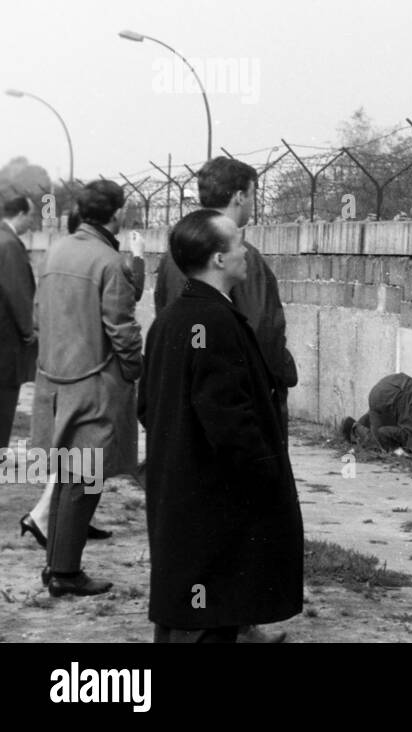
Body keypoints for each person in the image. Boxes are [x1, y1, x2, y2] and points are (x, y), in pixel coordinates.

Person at [139, 208, 303, 643]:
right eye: (236, 242)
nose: (245, 249)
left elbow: (148, 407)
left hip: (184, 493)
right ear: (217, 258)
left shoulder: (172, 319)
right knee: (207, 618)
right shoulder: (212, 321)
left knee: (191, 612)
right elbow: (228, 420)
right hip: (214, 501)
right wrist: (266, 473)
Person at [29, 181, 142, 597]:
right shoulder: (109, 261)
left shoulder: (57, 250)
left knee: (69, 478)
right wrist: (133, 370)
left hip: (56, 380)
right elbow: (123, 328)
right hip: (95, 384)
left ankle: (58, 567)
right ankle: (65, 572)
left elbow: (39, 314)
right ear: (116, 214)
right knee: (86, 480)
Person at [154, 157, 296, 438]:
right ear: (240, 196)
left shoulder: (173, 254)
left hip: (181, 392)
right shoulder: (242, 257)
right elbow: (261, 331)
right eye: (253, 195)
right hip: (236, 402)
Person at [0, 194, 36, 457]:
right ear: (21, 213)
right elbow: (18, 293)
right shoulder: (10, 244)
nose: (31, 223)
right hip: (5, 345)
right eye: (31, 216)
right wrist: (29, 332)